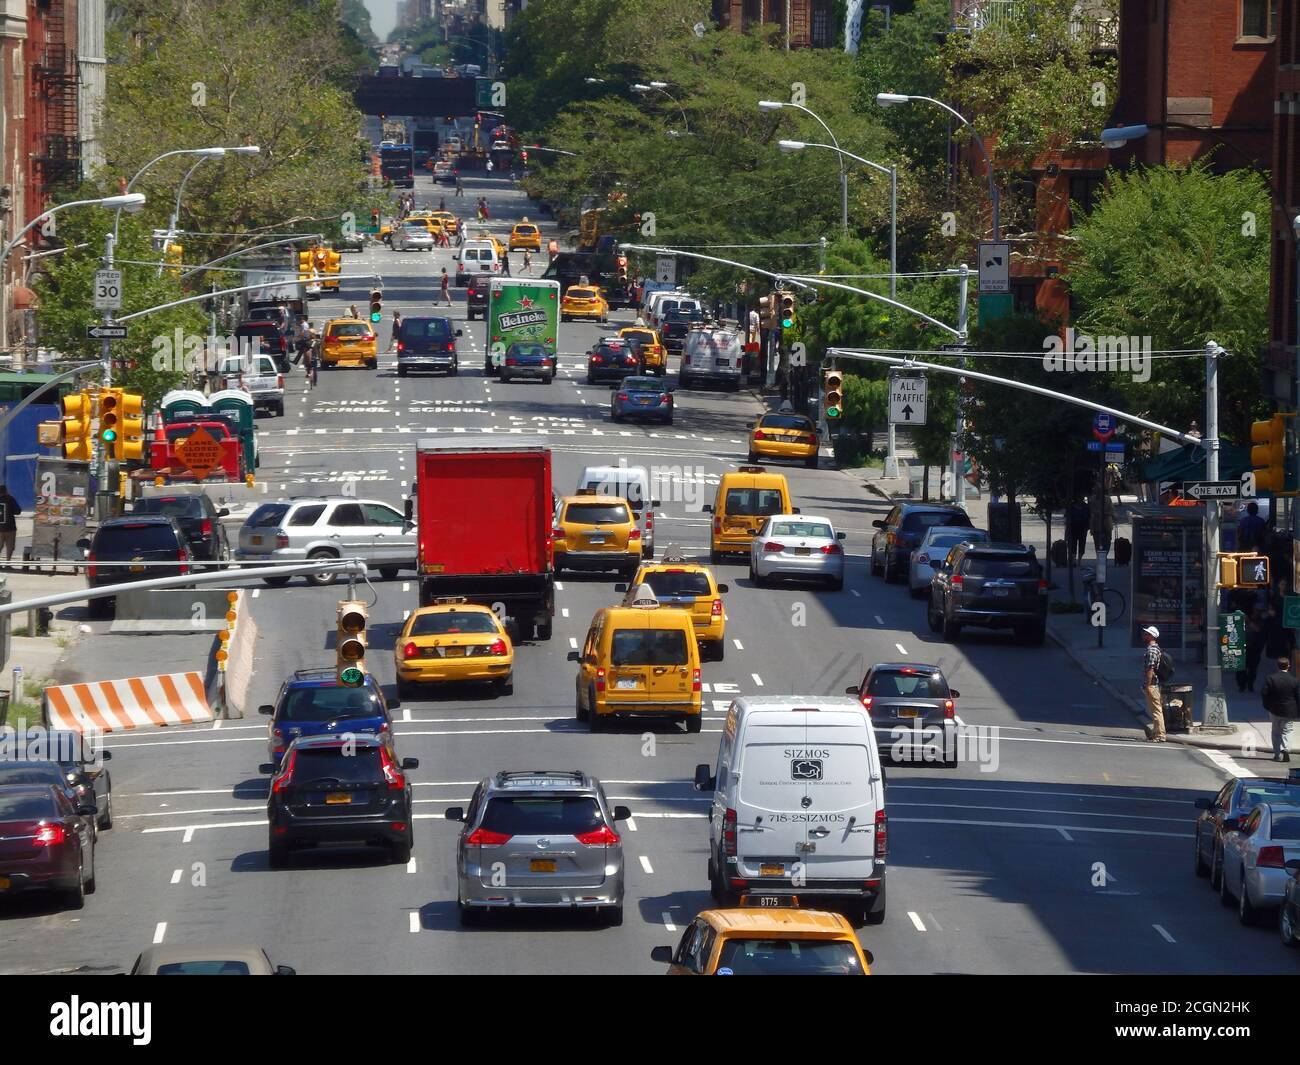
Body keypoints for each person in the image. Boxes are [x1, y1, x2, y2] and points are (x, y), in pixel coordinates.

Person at [1261, 656, 1300, 762]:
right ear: (1288, 666)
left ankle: (1277, 754)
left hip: (1275, 710)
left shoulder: (1271, 678)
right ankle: (1286, 749)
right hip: (1289, 710)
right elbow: (1297, 697)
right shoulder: (1294, 680)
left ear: (1277, 666)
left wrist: (1267, 706)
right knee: (1288, 730)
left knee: (1276, 732)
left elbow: (1264, 693)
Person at [1140, 625, 1167, 742]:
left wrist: (1147, 684)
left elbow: (1150, 668)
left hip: (1152, 684)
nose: (1144, 635)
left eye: (1146, 634)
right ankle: (1156, 733)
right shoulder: (1155, 649)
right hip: (1154, 684)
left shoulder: (1152, 650)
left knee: (1156, 710)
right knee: (1154, 710)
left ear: (1152, 636)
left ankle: (1160, 735)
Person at [1238, 604, 1268, 693]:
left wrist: (1249, 622)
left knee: (1253, 669)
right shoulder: (1240, 620)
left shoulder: (1260, 621)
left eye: (1258, 611)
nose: (1256, 612)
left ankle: (1250, 684)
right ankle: (1242, 685)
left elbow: (1258, 629)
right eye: (1255, 610)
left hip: (1254, 648)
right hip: (1242, 648)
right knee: (1241, 669)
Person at [1090, 481, 1114, 559]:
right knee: (1097, 542)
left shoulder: (1107, 499)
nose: (1095, 490)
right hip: (1096, 524)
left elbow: (1111, 511)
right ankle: (1100, 557)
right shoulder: (1093, 499)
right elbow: (1091, 510)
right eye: (1095, 489)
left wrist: (1103, 513)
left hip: (1107, 523)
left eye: (1098, 489)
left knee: (1107, 541)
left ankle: (1104, 556)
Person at [0, 484, 20, 566]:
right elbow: (18, 511)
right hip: (10, 528)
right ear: (6, 491)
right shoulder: (10, 499)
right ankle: (8, 563)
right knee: (10, 547)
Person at [1066, 495, 1090, 563]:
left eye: (1081, 497)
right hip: (1073, 527)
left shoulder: (1085, 506)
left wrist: (1088, 527)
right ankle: (1074, 559)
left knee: (1082, 544)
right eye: (1078, 497)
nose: (1080, 499)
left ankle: (1079, 559)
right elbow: (1067, 517)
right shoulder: (1071, 506)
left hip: (1083, 527)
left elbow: (1089, 517)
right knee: (1073, 543)